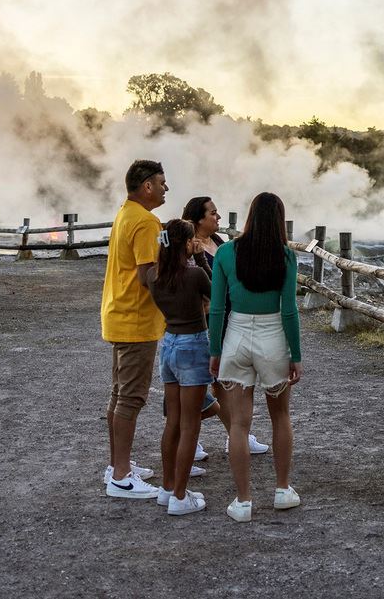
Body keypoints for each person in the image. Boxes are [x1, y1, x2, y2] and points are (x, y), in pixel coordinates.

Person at [208, 192, 302, 522]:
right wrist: (297, 355)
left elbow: (218, 309)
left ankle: (243, 501)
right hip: (273, 336)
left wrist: (215, 351)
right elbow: (289, 311)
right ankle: (281, 490)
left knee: (238, 423)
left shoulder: (225, 252)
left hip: (235, 337)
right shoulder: (287, 257)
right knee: (280, 416)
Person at [182, 196, 269, 460]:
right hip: (203, 319)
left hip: (228, 317)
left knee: (223, 380)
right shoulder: (189, 248)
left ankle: (236, 435)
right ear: (198, 219)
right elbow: (201, 283)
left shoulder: (219, 242)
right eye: (213, 213)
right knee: (198, 382)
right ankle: (191, 440)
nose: (218, 218)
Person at [101, 159, 168, 499]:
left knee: (119, 395)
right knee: (131, 397)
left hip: (119, 314)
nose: (165, 188)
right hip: (136, 321)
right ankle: (122, 478)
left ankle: (118, 465)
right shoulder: (145, 221)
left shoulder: (126, 213)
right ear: (147, 187)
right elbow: (148, 275)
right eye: (161, 182)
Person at [145, 218, 211, 516]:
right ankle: (181, 497)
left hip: (168, 344)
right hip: (193, 345)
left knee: (172, 421)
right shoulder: (194, 274)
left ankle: (168, 487)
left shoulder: (152, 275)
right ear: (186, 243)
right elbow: (218, 291)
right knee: (190, 424)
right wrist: (198, 256)